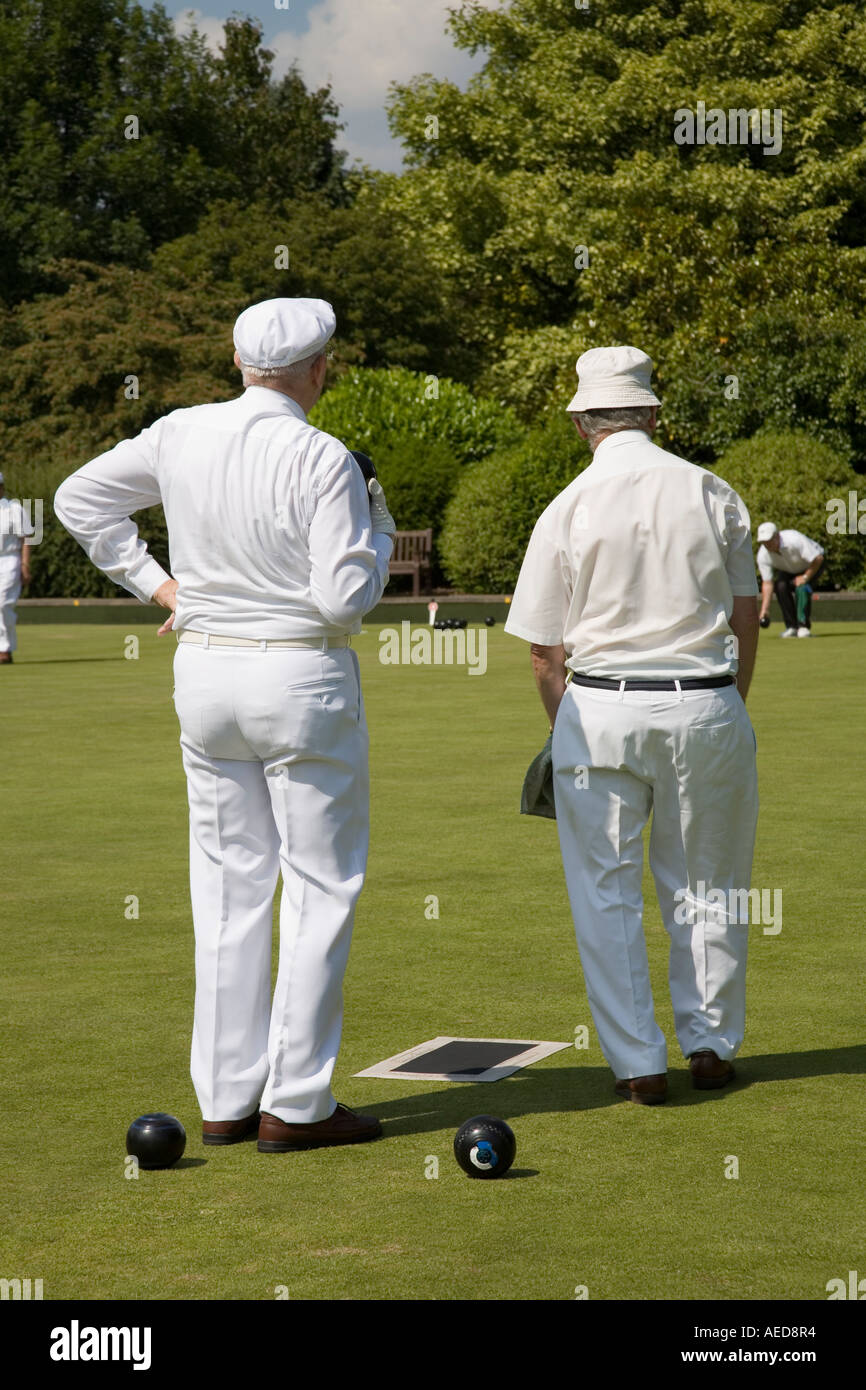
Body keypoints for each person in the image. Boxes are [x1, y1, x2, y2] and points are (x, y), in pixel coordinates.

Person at [54, 297, 396, 1152]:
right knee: (319, 884)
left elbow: (77, 500)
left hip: (205, 673)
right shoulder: (325, 457)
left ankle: (226, 1099)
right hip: (298, 674)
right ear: (318, 370)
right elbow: (344, 602)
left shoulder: (179, 432)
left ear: (239, 363)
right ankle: (297, 1105)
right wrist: (379, 525)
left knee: (228, 884)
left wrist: (162, 588)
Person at [505, 346, 760, 1104]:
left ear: (584, 422)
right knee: (710, 883)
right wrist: (728, 701)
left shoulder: (567, 506)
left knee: (605, 891)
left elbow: (543, 654)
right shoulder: (714, 491)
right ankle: (709, 1044)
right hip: (707, 700)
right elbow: (747, 615)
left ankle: (638, 1063)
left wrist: (567, 728)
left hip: (599, 706)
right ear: (653, 413)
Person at [756, 521, 824, 637]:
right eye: (764, 542)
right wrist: (764, 610)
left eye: (769, 541)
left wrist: (805, 576)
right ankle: (791, 627)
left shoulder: (794, 539)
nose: (767, 545)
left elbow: (818, 558)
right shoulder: (763, 555)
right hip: (789, 569)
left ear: (777, 536)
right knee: (781, 587)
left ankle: (803, 627)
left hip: (811, 565)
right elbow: (767, 583)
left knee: (802, 587)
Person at [0, 471, 34, 664]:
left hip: (9, 560)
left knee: (3, 604)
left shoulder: (14, 508)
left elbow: (26, 538)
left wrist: (25, 565)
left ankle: (4, 649)